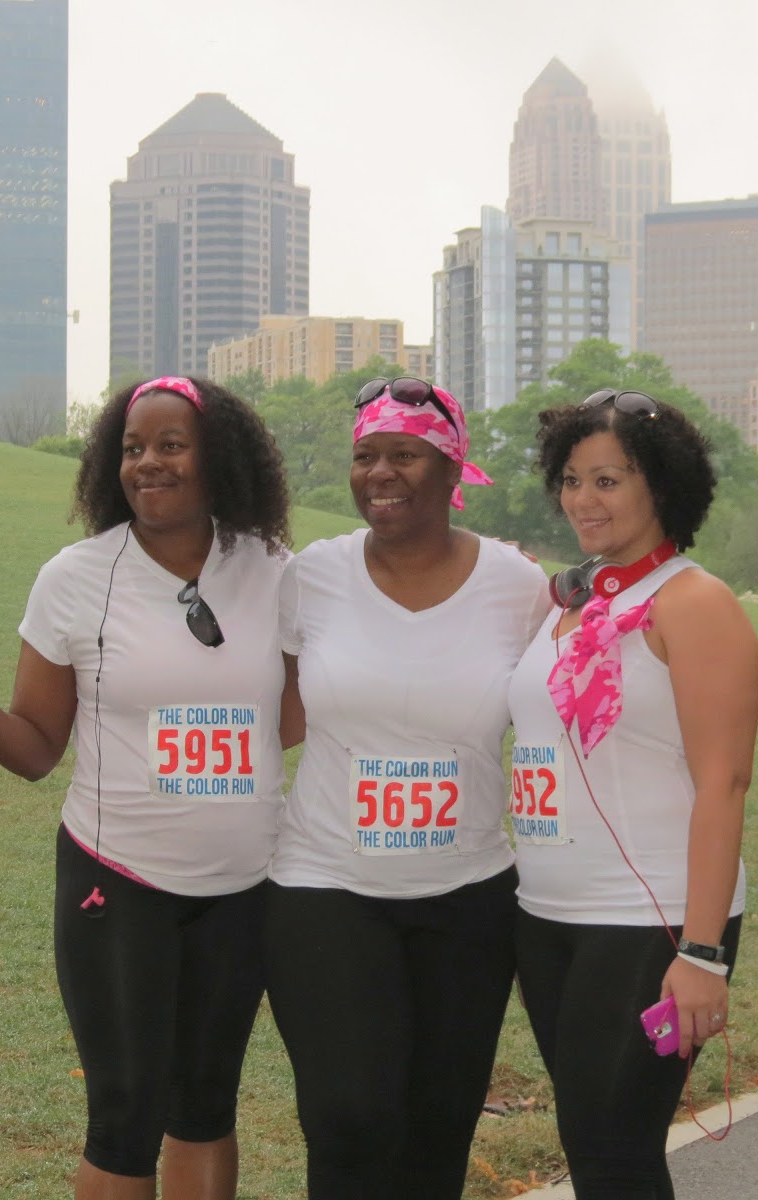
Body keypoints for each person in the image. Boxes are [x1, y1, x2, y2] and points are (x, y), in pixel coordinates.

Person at [0, 376, 293, 1200]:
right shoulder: (77, 577)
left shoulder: (273, 571)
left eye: (170, 445)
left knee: (206, 1109)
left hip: (245, 889)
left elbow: (293, 718)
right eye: (130, 447)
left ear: (218, 458)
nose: (147, 463)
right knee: (123, 1117)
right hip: (117, 884)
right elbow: (37, 749)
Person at [265, 376, 551, 1198]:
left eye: (403, 455)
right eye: (365, 456)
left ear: (451, 467)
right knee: (348, 1116)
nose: (379, 473)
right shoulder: (311, 576)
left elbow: (551, 712)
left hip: (469, 897)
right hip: (326, 885)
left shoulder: (516, 586)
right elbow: (280, 710)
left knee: (438, 1129)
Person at [507, 388, 758, 1199]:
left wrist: (701, 953)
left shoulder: (695, 604)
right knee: (594, 1150)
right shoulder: (568, 607)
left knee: (615, 1155)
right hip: (547, 917)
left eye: (610, 480)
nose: (585, 500)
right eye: (573, 479)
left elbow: (724, 782)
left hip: (648, 921)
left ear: (660, 485)